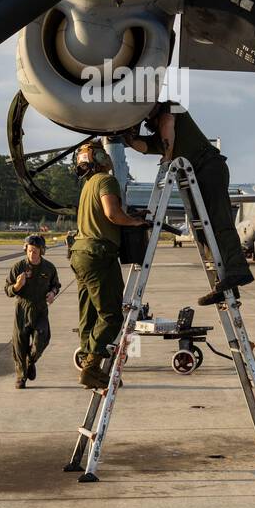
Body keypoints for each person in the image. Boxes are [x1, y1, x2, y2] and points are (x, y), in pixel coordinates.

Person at [123, 100, 252, 305]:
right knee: (202, 230)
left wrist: (166, 157)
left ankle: (238, 270)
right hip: (194, 177)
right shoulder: (162, 135)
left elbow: (167, 124)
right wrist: (125, 136)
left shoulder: (171, 108)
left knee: (218, 221)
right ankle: (226, 283)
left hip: (209, 168)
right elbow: (144, 146)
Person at [71, 140, 151, 389]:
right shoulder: (106, 181)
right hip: (99, 254)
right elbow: (112, 214)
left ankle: (86, 359)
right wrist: (135, 223)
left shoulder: (87, 185)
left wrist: (128, 219)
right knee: (111, 315)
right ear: (99, 158)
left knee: (89, 314)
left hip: (79, 253)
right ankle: (92, 367)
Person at [5, 235, 61, 389]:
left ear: (41, 251)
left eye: (35, 251)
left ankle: (31, 360)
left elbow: (55, 285)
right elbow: (7, 290)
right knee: (19, 344)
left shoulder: (49, 268)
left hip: (40, 309)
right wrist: (17, 286)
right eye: (29, 251)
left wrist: (52, 293)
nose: (32, 254)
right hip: (22, 309)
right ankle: (21, 377)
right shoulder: (18, 267)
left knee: (42, 339)